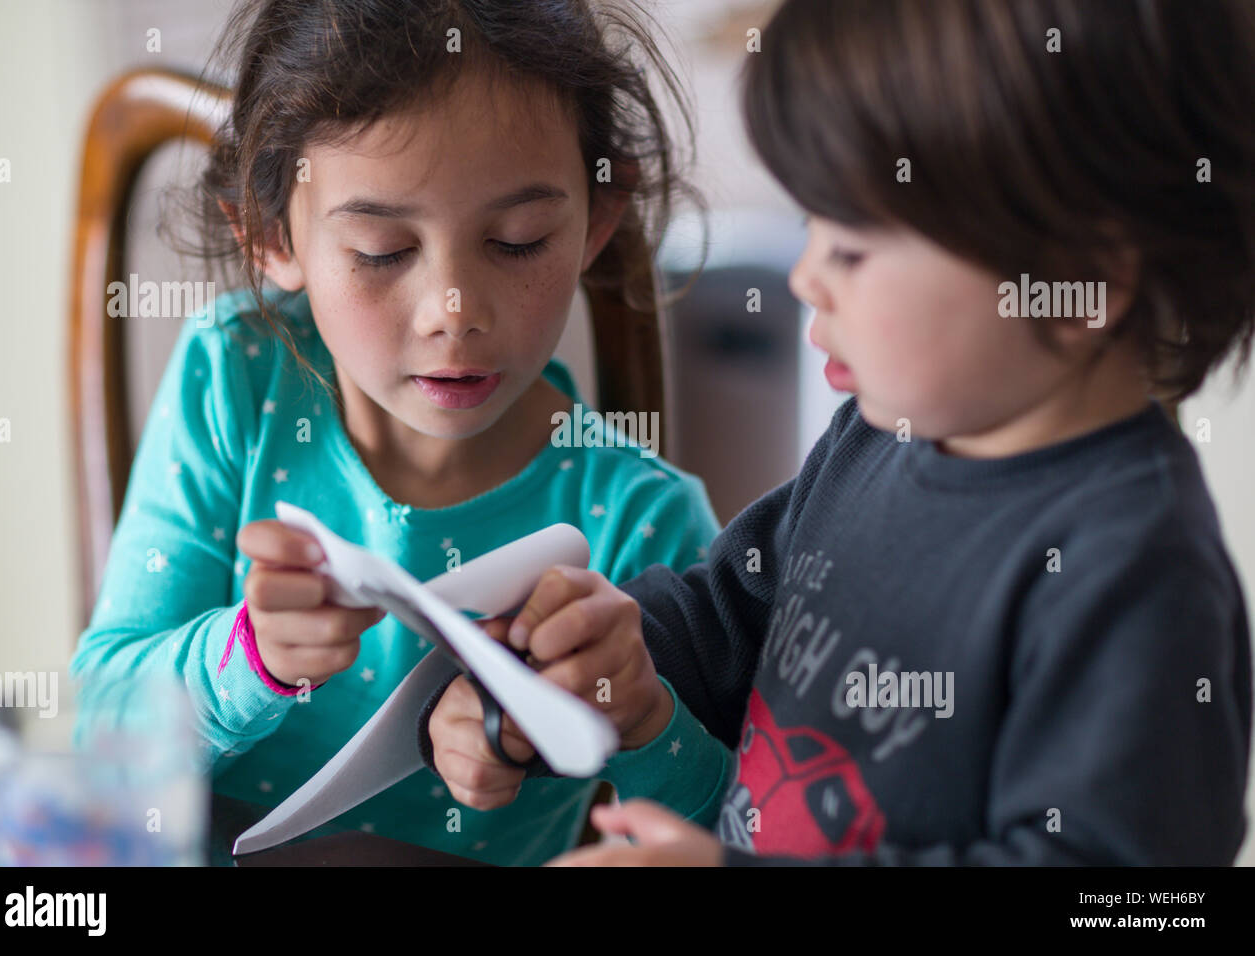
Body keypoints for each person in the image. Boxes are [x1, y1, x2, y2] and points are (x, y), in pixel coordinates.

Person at [421, 0, 1255, 865]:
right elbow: (728, 619)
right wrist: (588, 660)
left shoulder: (1135, 570)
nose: (805, 276)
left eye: (851, 247)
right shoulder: (881, 437)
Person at [69, 0, 730, 867]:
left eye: (518, 241)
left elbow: (740, 824)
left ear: (595, 224)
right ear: (273, 235)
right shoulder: (237, 378)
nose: (453, 314)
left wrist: (641, 718)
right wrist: (250, 660)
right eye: (382, 249)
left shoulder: (639, 517)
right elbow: (99, 726)